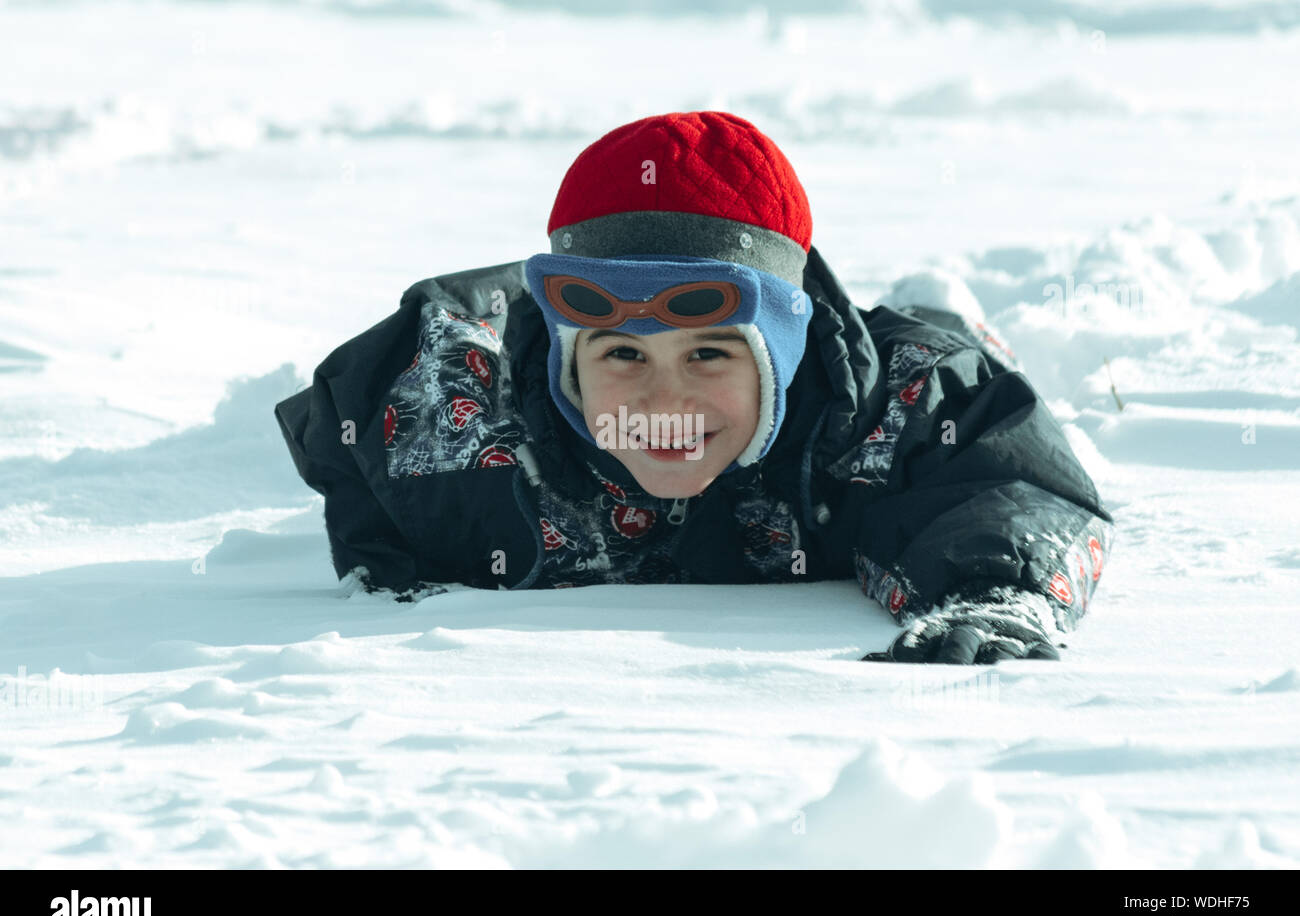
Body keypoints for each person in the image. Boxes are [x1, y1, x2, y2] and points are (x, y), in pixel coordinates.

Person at [274, 111, 1114, 664]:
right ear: (570, 364)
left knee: (938, 341)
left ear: (779, 356)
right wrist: (392, 571)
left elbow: (1009, 485)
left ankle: (942, 302)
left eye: (710, 356)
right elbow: (345, 423)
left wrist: (995, 600)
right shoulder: (460, 408)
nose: (662, 401)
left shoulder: (897, 406)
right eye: (622, 358)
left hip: (878, 353)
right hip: (513, 325)